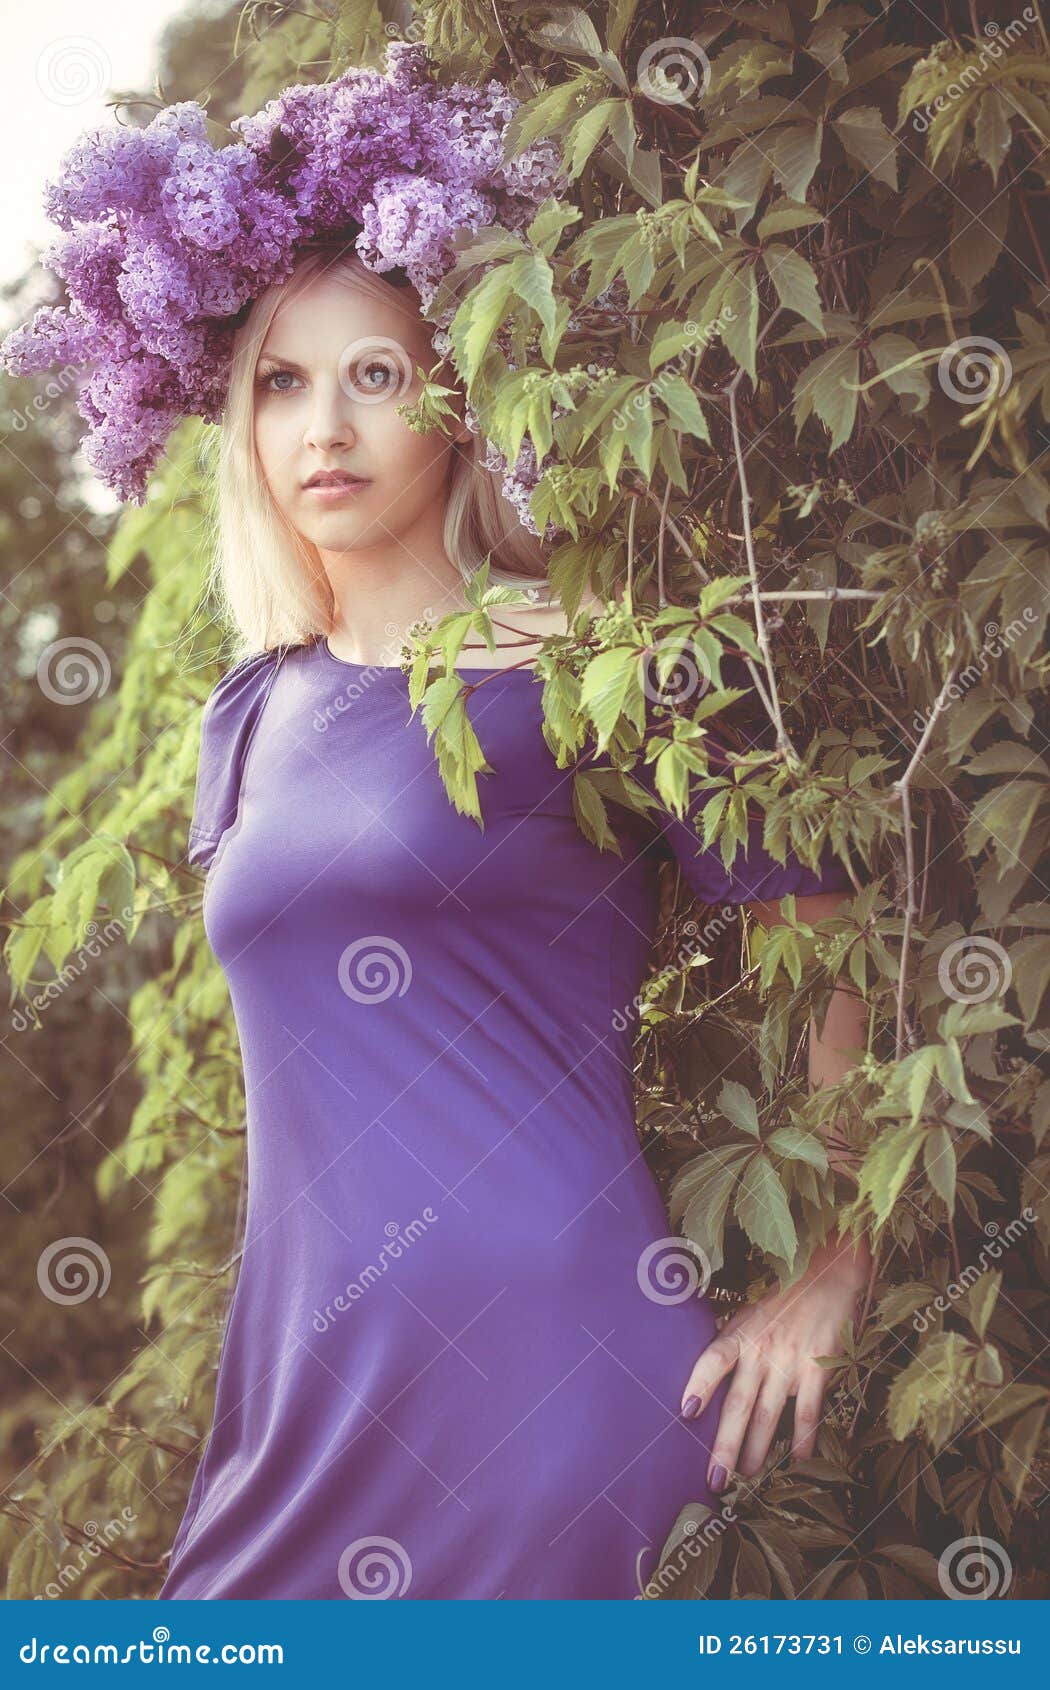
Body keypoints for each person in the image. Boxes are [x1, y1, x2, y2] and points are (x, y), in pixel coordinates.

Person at [155, 246, 871, 1600]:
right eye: (282, 383)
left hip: (551, 1362)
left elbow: (831, 959)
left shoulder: (605, 660)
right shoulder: (245, 717)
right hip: (299, 1401)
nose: (324, 427)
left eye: (376, 376)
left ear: (458, 400)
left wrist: (838, 1264)